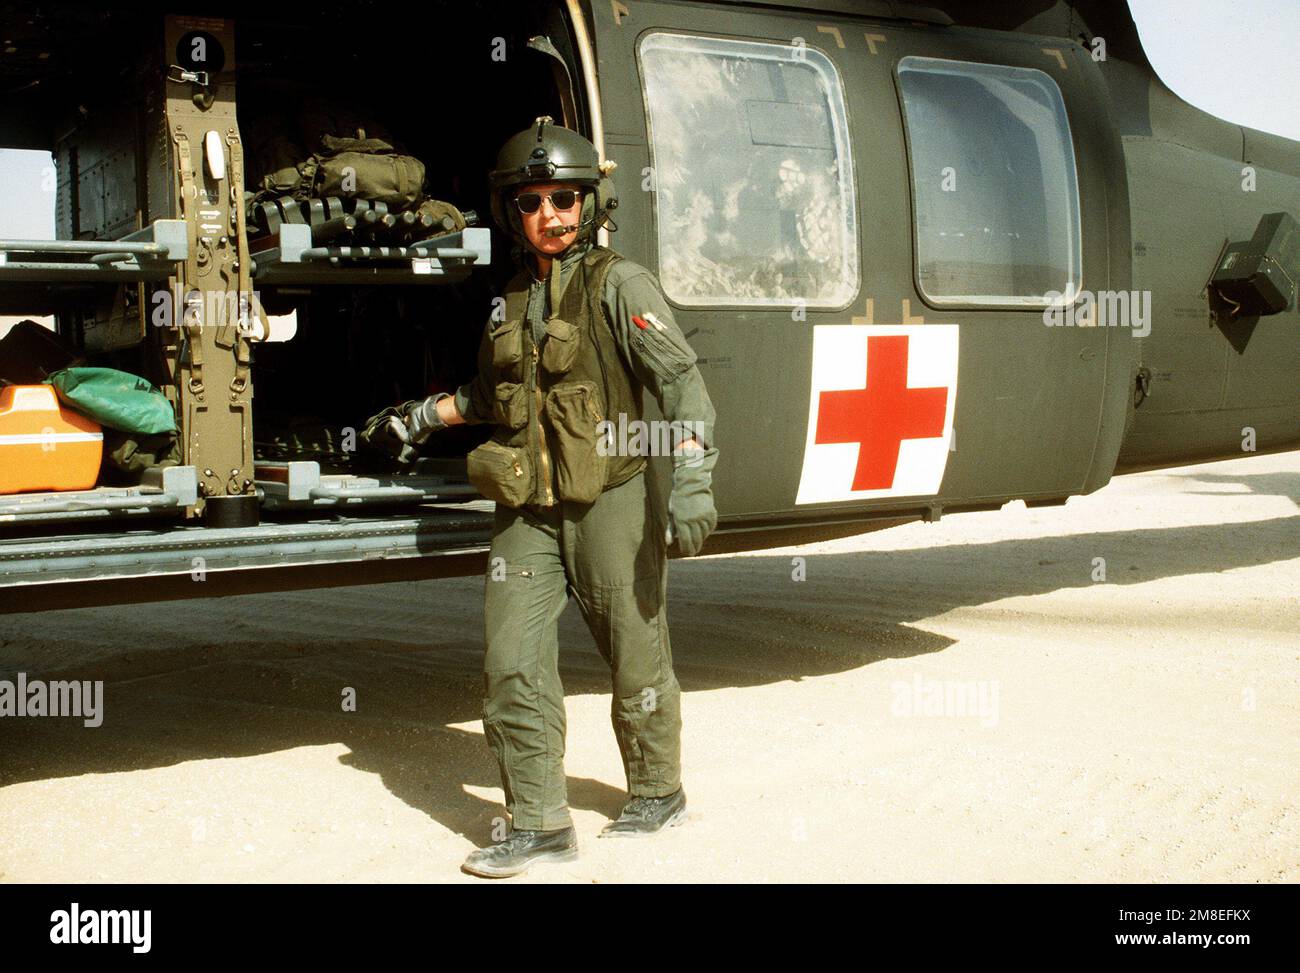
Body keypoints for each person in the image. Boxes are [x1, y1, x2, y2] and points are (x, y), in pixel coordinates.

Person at [386, 117, 719, 878]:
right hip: (527, 511)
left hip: (613, 498)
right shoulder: (507, 299)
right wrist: (419, 415)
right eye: (532, 201)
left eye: (565, 198)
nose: (551, 215)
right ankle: (539, 822)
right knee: (511, 660)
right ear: (512, 211)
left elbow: (682, 384)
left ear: (590, 201)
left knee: (635, 653)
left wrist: (694, 478)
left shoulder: (620, 284)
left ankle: (658, 789)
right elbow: (489, 392)